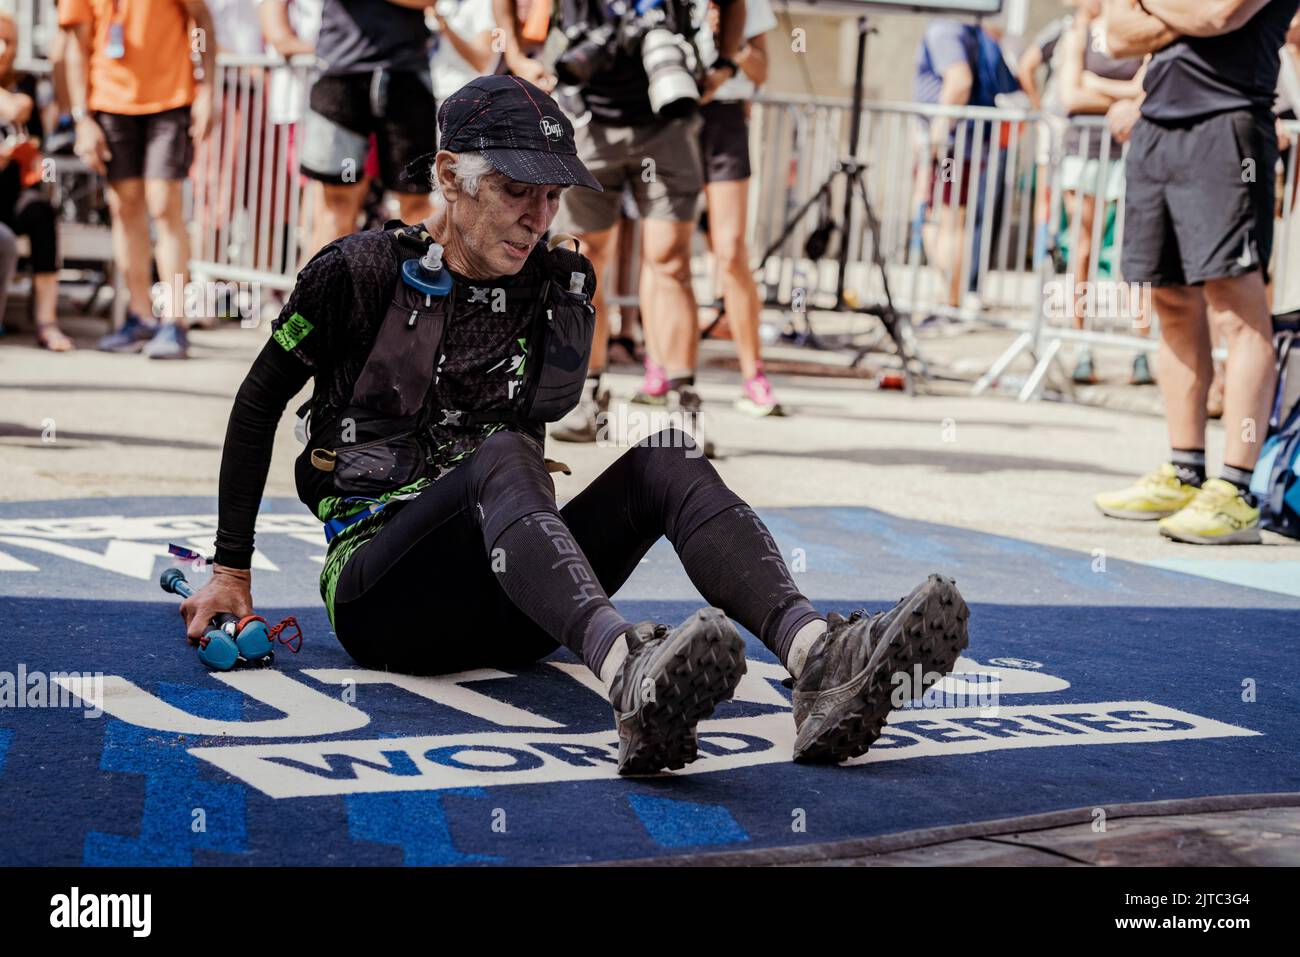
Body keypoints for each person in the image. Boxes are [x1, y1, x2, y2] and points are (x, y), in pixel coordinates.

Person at [180, 76, 971, 775]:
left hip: (518, 602)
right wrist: (231, 572)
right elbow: (257, 404)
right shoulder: (357, 272)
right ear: (451, 178)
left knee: (666, 453)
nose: (540, 215)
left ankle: (817, 655)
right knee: (503, 455)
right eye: (519, 189)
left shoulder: (557, 284)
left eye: (554, 194)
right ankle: (630, 674)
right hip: (383, 598)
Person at [494, 0, 747, 449]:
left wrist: (724, 65)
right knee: (584, 263)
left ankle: (682, 404)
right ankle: (588, 397)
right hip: (588, 118)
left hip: (668, 118)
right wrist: (516, 54)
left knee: (670, 261)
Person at [1096, 0, 1298, 544]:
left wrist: (1150, 6)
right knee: (1172, 303)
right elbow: (1114, 34)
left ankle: (1236, 492)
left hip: (1228, 127)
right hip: (1157, 127)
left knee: (1238, 309)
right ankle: (1185, 471)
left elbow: (1219, 15)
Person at [60, 0, 216, 360]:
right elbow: (76, 47)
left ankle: (174, 321)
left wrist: (207, 86)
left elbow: (201, 20)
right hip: (109, 103)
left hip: (171, 99)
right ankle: (140, 315)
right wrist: (82, 118)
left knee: (164, 206)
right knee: (124, 208)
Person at [687, 0, 782, 417]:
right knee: (666, 251)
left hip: (725, 121)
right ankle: (667, 370)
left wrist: (733, 42)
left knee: (730, 248)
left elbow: (762, 72)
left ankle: (753, 375)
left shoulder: (749, 4)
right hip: (673, 114)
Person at [1054, 0, 1151, 386]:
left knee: (1135, 254)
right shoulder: (1079, 32)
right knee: (1083, 251)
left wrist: (1098, 86)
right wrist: (1123, 97)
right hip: (1085, 154)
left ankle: (1142, 350)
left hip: (1131, 154)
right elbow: (1071, 96)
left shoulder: (1140, 30)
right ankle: (1082, 346)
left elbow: (1148, 93)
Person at [299, 0, 436, 257]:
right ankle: (324, 293)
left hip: (406, 75)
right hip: (341, 73)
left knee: (415, 201)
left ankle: (413, 296)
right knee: (336, 205)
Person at [0, 11, 71, 352]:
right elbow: (13, 109)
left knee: (42, 212)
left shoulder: (24, 82)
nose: (1, 48)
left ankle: (47, 321)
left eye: (8, 41)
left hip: (15, 191)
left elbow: (27, 116)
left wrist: (29, 158)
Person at [429, 0, 497, 103]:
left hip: (470, 94)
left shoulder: (484, 4)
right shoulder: (443, 3)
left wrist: (445, 28)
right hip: (440, 93)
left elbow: (483, 63)